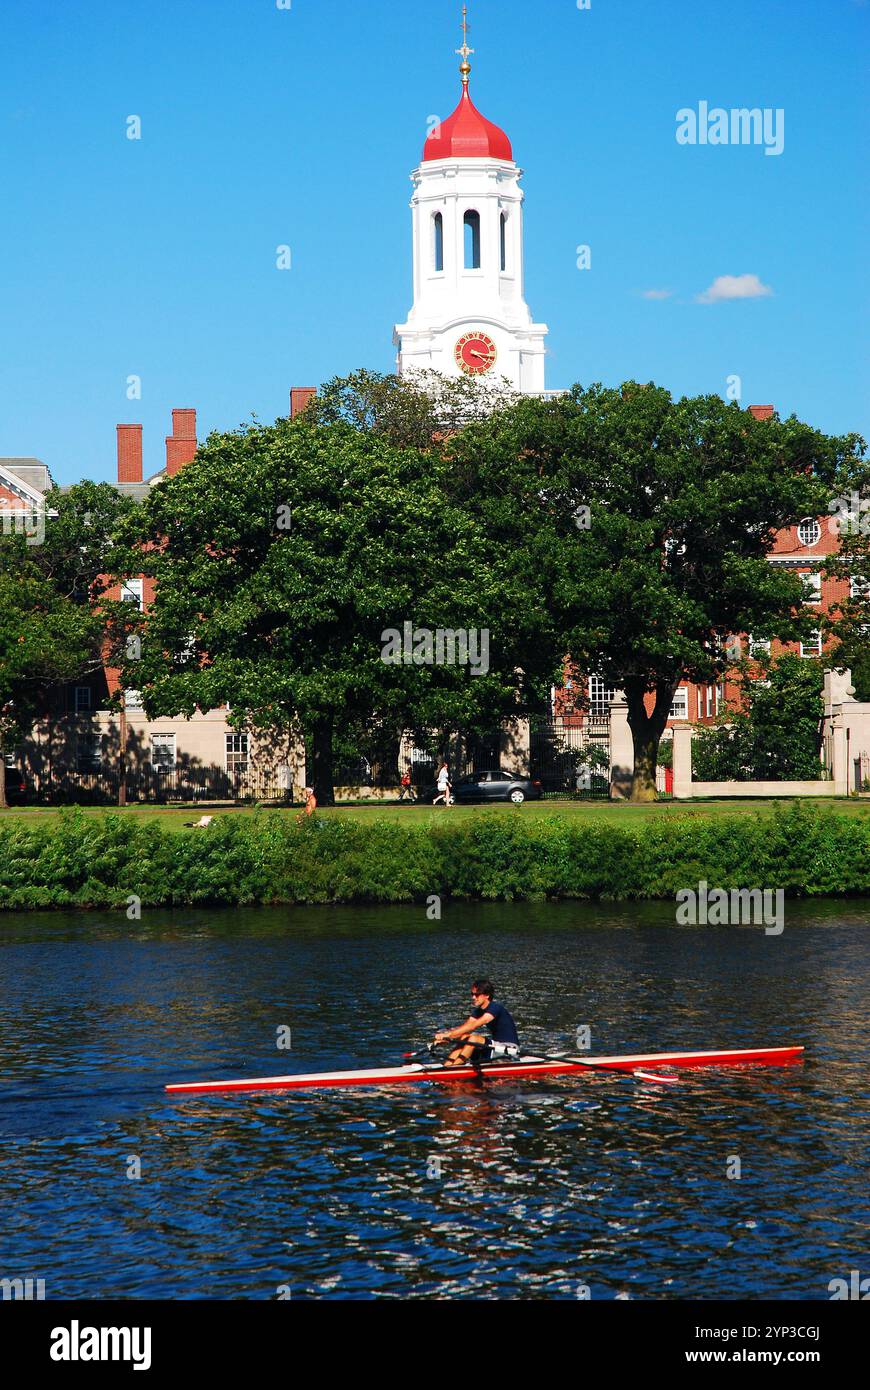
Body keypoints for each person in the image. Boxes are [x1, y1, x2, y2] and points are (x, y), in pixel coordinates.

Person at [434, 979, 520, 1067]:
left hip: (510, 1050)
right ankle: (447, 1066)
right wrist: (446, 1038)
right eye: (472, 994)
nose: (473, 998)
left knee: (474, 1039)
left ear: (487, 995)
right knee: (464, 1037)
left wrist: (449, 1035)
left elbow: (474, 1026)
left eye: (477, 995)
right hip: (496, 1048)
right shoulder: (478, 1011)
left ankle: (455, 1068)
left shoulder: (495, 1008)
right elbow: (465, 1027)